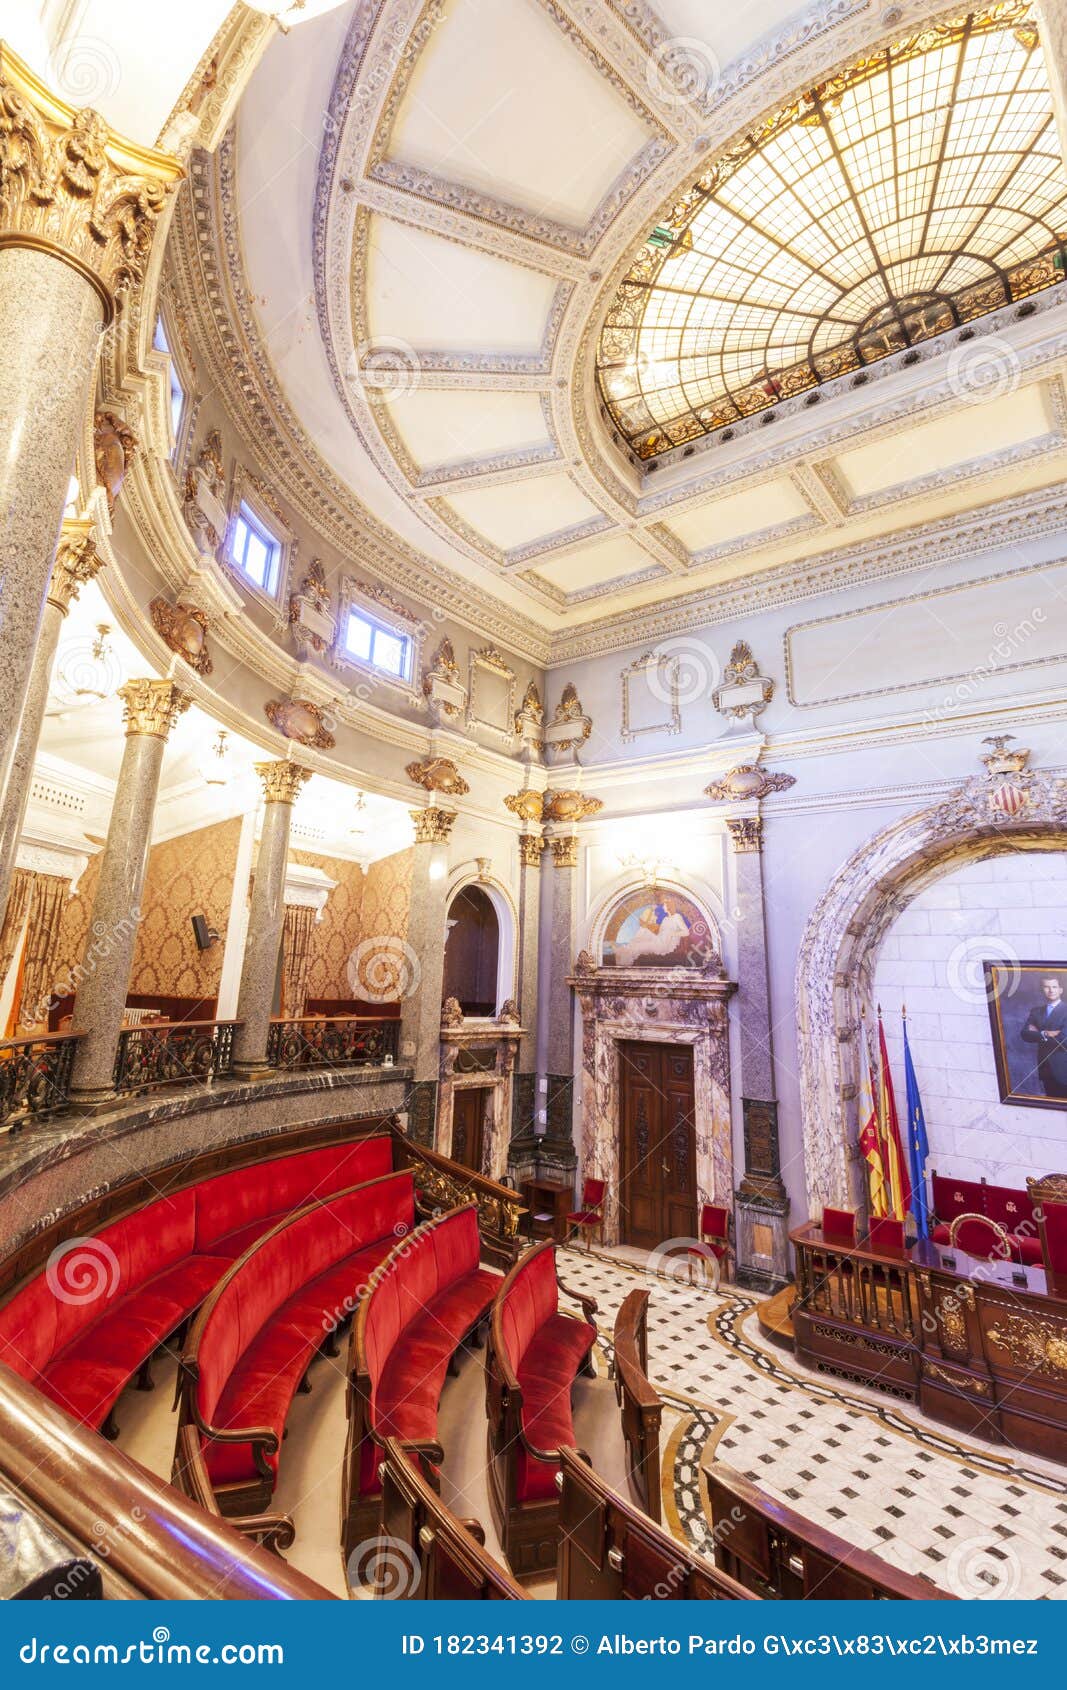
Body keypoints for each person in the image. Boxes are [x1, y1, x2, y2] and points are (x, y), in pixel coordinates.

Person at [1020, 975, 1067, 1100]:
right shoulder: (1036, 1011)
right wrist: (1045, 1033)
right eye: (1046, 987)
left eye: (1054, 987)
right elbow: (1025, 1034)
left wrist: (1037, 1033)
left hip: (1064, 1068)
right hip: (1045, 1069)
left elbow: (1064, 1039)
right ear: (1042, 990)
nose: (1051, 990)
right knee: (1052, 1106)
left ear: (1060, 990)